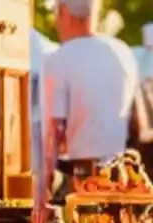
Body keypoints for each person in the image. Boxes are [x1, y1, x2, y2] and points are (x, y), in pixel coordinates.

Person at [41, 0, 139, 188]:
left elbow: (55, 131)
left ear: (63, 12)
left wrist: (45, 182)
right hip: (121, 174)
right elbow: (135, 121)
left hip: (82, 179)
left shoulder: (59, 58)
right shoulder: (123, 52)